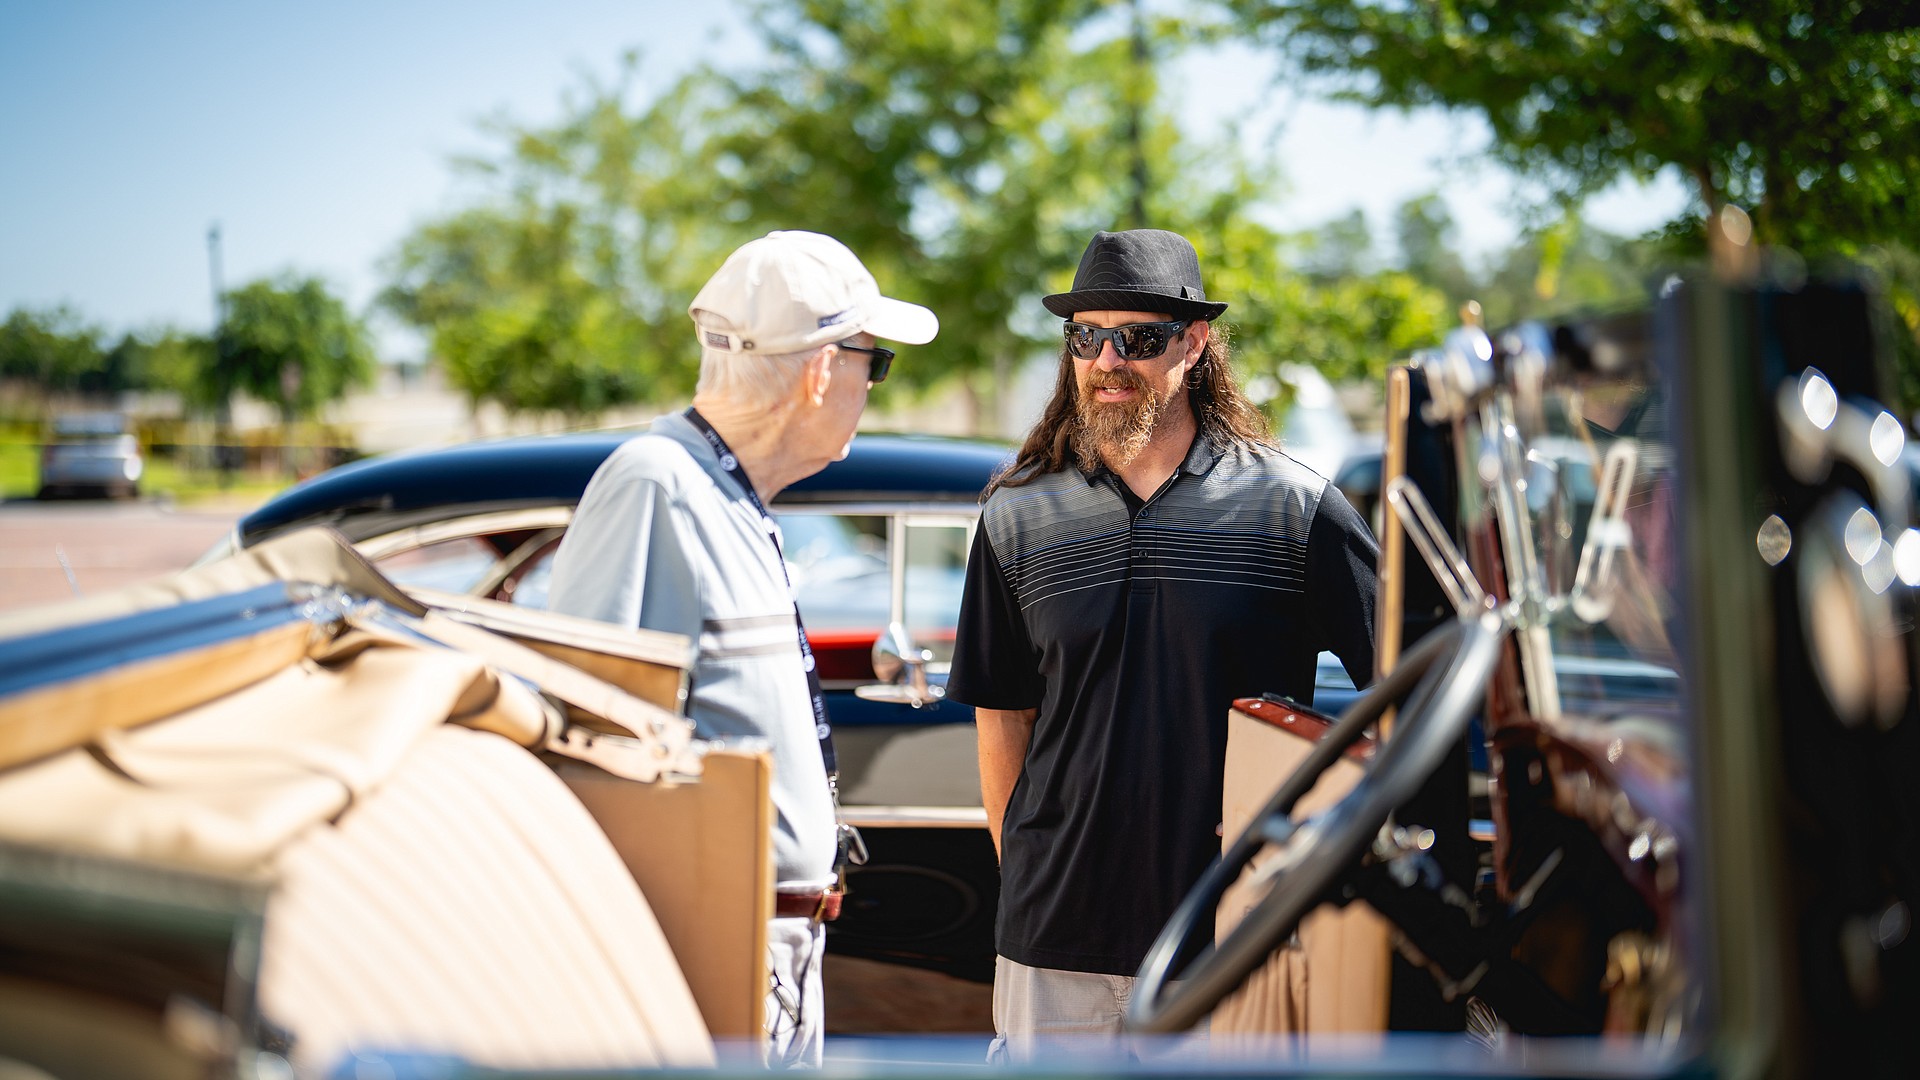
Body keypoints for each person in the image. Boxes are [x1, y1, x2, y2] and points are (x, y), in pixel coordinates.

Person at [945, 228, 1377, 1059]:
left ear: (1194, 345)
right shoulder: (1016, 514)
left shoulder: (1295, 510)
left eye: (1137, 339)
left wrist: (1315, 846)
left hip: (1231, 934)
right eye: (1086, 337)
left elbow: (1405, 693)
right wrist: (1029, 872)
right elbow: (1002, 716)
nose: (1108, 360)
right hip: (1052, 940)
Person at [546, 230, 937, 1066]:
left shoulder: (716, 489)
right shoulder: (657, 484)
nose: (872, 385)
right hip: (721, 957)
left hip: (768, 952)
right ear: (822, 369)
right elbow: (591, 746)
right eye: (874, 361)